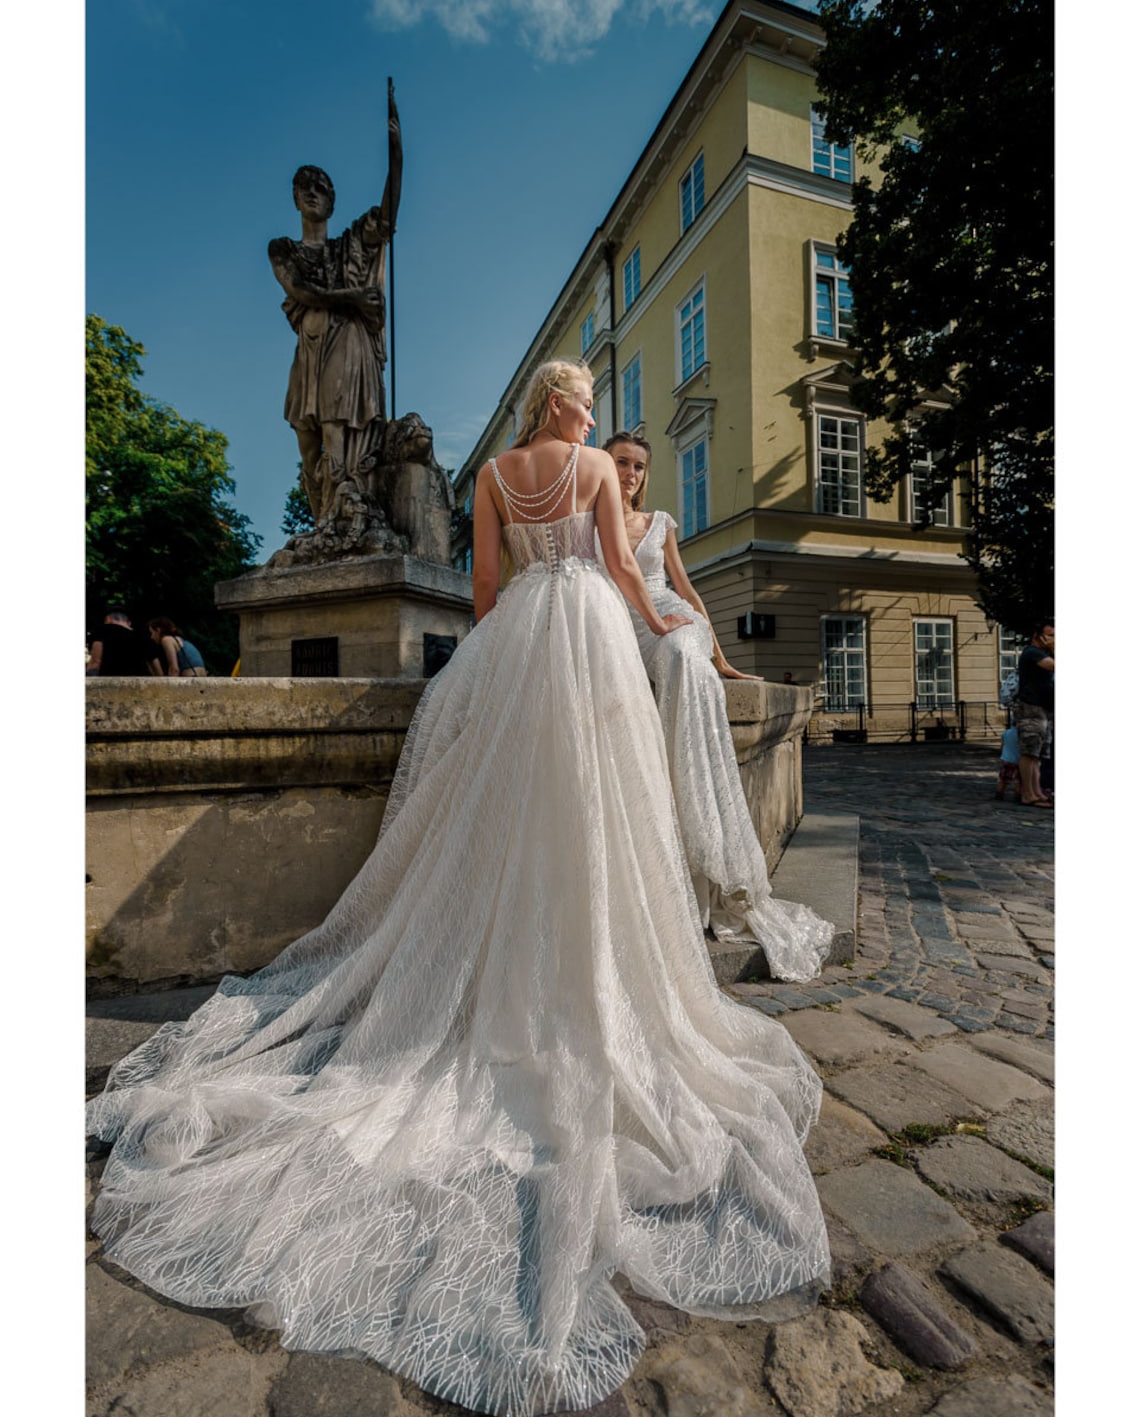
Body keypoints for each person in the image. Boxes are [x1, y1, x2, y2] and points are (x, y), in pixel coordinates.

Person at [87, 361, 829, 1417]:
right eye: (585, 400)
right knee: (598, 814)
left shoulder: (493, 473)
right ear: (572, 406)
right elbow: (622, 568)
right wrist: (667, 633)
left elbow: (480, 594)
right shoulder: (593, 470)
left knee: (500, 817)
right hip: (589, 645)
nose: (587, 413)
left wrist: (520, 615)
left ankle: (480, 975)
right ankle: (578, 974)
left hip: (520, 638)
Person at [602, 430, 833, 982]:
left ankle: (700, 827)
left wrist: (720, 655)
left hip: (669, 615)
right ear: (602, 467)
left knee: (686, 653)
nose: (630, 474)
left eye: (638, 466)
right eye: (620, 463)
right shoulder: (591, 521)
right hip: (622, 624)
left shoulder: (660, 522)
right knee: (674, 655)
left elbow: (685, 586)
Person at [268, 87, 402, 524]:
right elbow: (302, 292)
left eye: (321, 188)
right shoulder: (283, 248)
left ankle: (342, 503)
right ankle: (320, 513)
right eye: (304, 186)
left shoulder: (348, 245)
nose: (312, 192)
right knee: (306, 439)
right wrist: (353, 299)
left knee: (335, 420)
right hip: (309, 346)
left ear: (331, 201)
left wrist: (397, 156)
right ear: (294, 196)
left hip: (345, 344)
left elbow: (387, 216)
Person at [1014, 621, 1054, 807]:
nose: (1054, 639)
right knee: (1029, 752)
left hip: (1043, 708)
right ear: (1038, 636)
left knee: (1037, 755)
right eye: (1050, 635)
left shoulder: (1042, 653)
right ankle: (1028, 794)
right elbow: (1052, 666)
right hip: (1030, 707)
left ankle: (1037, 792)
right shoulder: (1032, 653)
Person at [86, 610, 163, 677]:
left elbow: (96, 662)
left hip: (111, 685)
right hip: (139, 686)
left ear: (108, 619)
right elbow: (158, 671)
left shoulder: (103, 630)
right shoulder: (144, 638)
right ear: (128, 623)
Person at [995, 722, 1021, 801]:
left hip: (1006, 758)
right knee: (1018, 779)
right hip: (1018, 759)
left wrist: (1002, 753)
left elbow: (1002, 745)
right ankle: (1018, 795)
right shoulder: (1021, 734)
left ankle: (1000, 793)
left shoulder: (1006, 732)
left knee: (1003, 778)